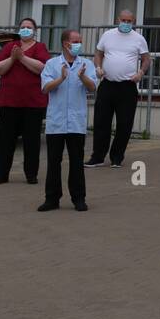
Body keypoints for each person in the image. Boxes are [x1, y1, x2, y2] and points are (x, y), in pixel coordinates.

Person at [38, 30, 97, 212]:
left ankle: (79, 198)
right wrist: (61, 78)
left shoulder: (86, 64)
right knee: (54, 162)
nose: (78, 43)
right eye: (75, 41)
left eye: (80, 40)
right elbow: (45, 88)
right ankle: (52, 199)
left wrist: (82, 76)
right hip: (56, 121)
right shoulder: (52, 64)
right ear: (65, 43)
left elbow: (93, 87)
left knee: (76, 162)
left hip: (76, 122)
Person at [86, 10, 149, 168]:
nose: (126, 23)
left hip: (127, 86)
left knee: (125, 124)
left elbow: (146, 59)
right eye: (123, 20)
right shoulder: (108, 35)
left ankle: (117, 157)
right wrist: (98, 67)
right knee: (101, 122)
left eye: (129, 21)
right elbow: (98, 53)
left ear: (133, 21)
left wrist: (140, 72)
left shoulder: (138, 39)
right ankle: (98, 156)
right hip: (107, 84)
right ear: (117, 19)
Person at [0, 17, 48, 185]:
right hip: (9, 102)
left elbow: (41, 68)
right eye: (22, 27)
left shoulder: (40, 47)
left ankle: (31, 174)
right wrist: (13, 58)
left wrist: (22, 58)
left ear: (35, 30)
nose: (25, 29)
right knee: (6, 140)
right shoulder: (10, 47)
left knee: (31, 141)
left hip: (33, 103)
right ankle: (1, 174)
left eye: (29, 27)